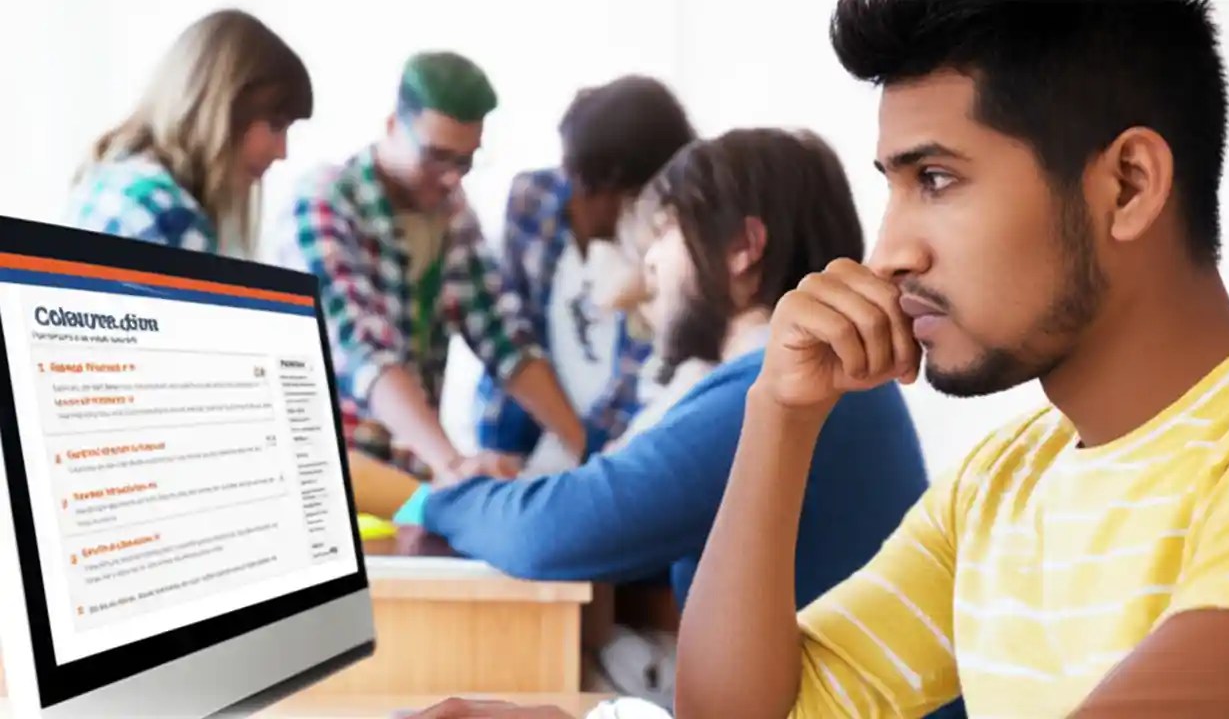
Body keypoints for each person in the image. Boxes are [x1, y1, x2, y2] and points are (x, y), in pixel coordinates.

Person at [676, 0, 1229, 717]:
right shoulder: (993, 489)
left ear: (1129, 185)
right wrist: (779, 413)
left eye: (934, 178)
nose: (889, 253)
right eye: (892, 187)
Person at [403, 128, 962, 717]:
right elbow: (613, 513)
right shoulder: (819, 384)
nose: (648, 260)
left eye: (665, 228)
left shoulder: (781, 388)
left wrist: (446, 496)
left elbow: (554, 532)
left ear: (743, 247)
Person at [277, 52, 587, 485]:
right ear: (391, 126)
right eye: (436, 156)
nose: (450, 178)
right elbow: (363, 350)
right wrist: (456, 466)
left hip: (413, 471)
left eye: (465, 161)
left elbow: (503, 337)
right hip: (329, 473)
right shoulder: (323, 200)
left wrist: (586, 452)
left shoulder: (453, 214)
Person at [474, 76, 695, 473]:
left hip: (612, 460)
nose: (577, 195)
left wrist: (589, 452)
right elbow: (508, 328)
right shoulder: (533, 200)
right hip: (522, 441)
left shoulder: (665, 252)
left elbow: (645, 380)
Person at [67, 9, 312, 258]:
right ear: (222, 107)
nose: (282, 152)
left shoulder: (108, 181)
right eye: (276, 125)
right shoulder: (169, 218)